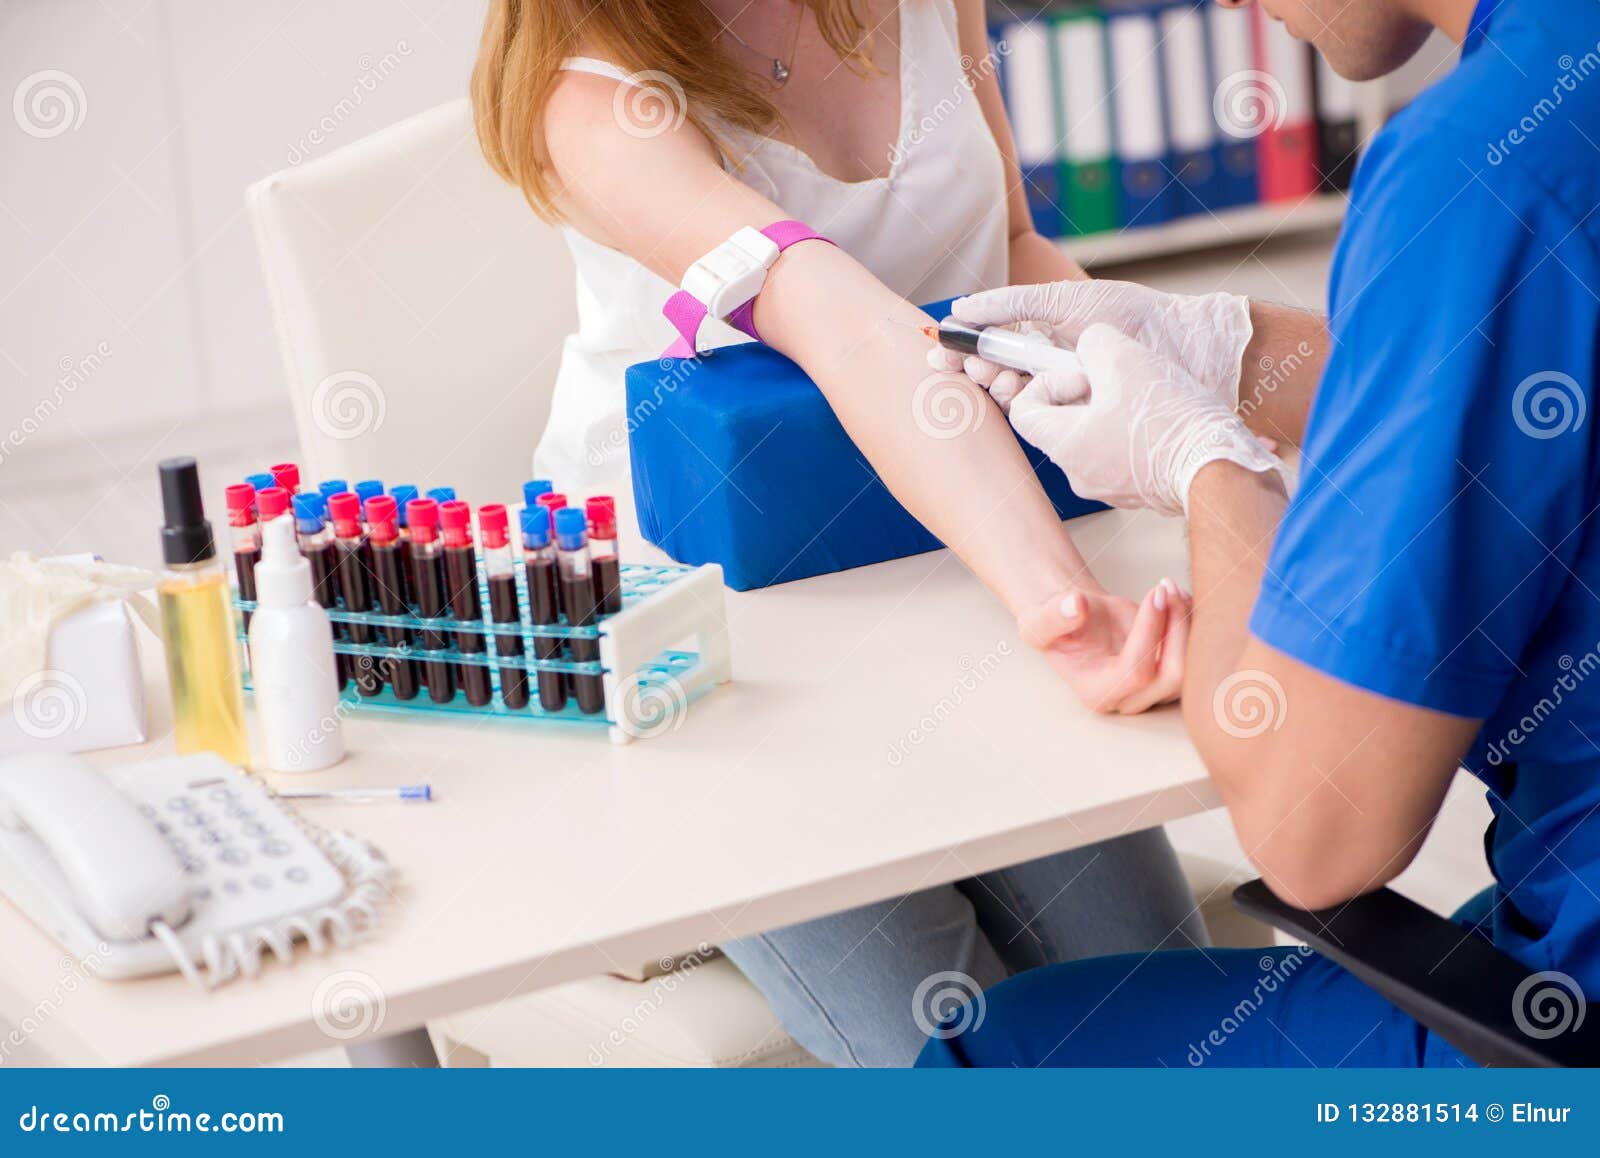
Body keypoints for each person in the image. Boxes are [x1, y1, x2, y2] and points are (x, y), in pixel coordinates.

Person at [469, 0, 1208, 1067]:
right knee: (955, 1062)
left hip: (945, 570)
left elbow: (1006, 245)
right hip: (708, 659)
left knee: (1164, 1014)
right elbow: (844, 327)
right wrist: (1058, 606)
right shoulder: (588, 97)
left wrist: (1194, 437)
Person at [920, 0, 1600, 1067]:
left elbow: (1316, 831)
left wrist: (1206, 468)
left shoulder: (1479, 168)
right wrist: (1231, 351)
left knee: (994, 1050)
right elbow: (1534, 397)